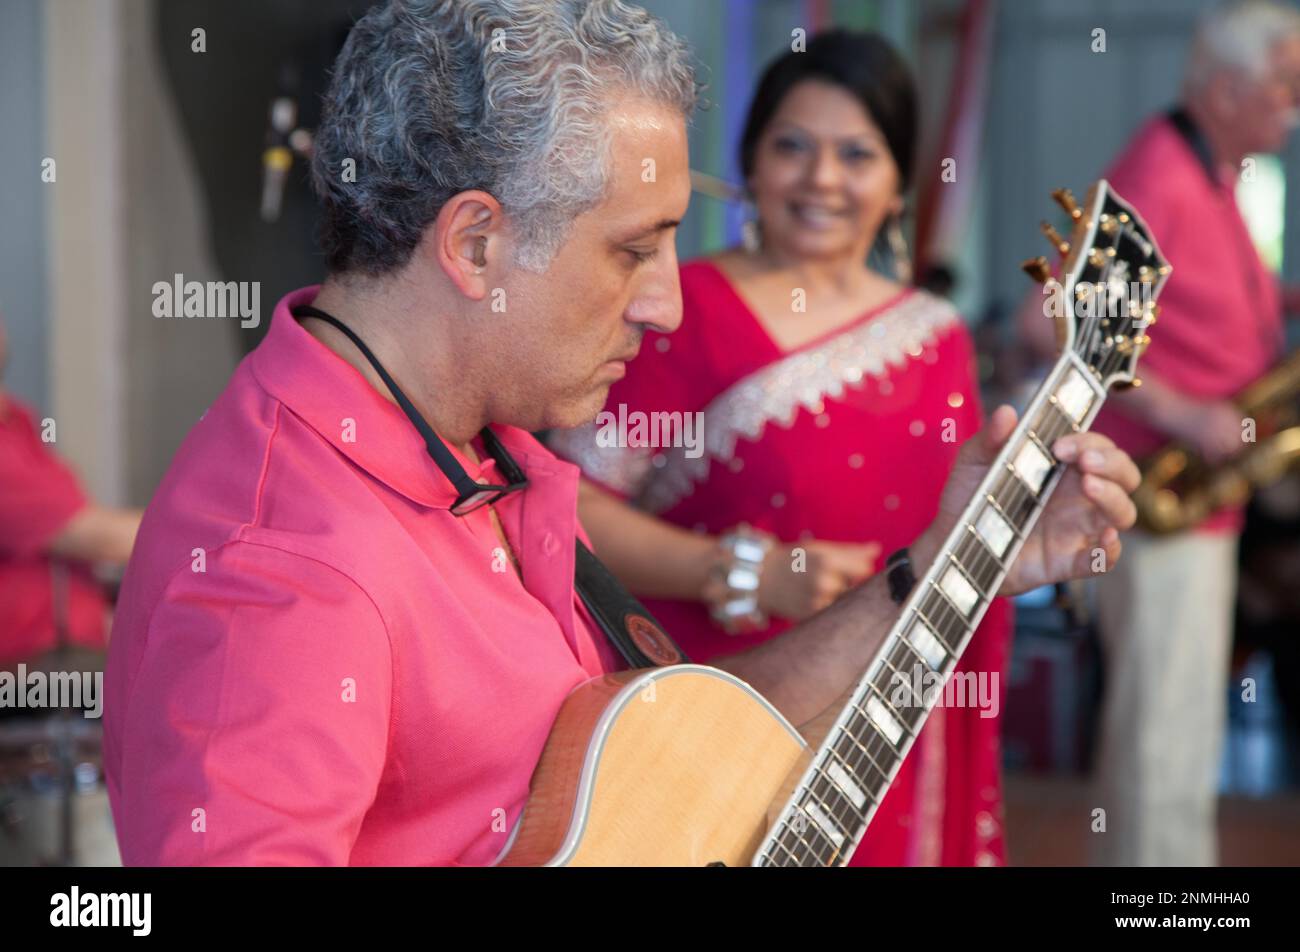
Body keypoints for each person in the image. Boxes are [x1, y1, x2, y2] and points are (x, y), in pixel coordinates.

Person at [104, 0, 1140, 866]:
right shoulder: (281, 570)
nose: (667, 306)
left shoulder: (478, 442)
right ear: (475, 242)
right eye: (631, 250)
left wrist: (942, 562)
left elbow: (659, 760)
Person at [546, 30, 1010, 867]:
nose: (821, 179)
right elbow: (566, 512)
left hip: (889, 713)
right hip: (721, 712)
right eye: (792, 146)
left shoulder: (935, 337)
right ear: (750, 163)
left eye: (856, 154)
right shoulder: (676, 312)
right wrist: (740, 570)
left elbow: (958, 543)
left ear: (900, 184)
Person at [1018, 0, 1300, 867]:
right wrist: (1187, 413)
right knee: (1161, 743)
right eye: (1285, 86)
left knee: (1177, 738)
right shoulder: (1160, 176)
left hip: (1202, 502)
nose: (1294, 106)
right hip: (1163, 488)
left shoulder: (1210, 174)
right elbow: (1046, 319)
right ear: (1226, 89)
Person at [0, 313, 141, 664]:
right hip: (30, 663)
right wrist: (216, 527)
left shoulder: (17, 420)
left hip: (68, 647)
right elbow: (97, 537)